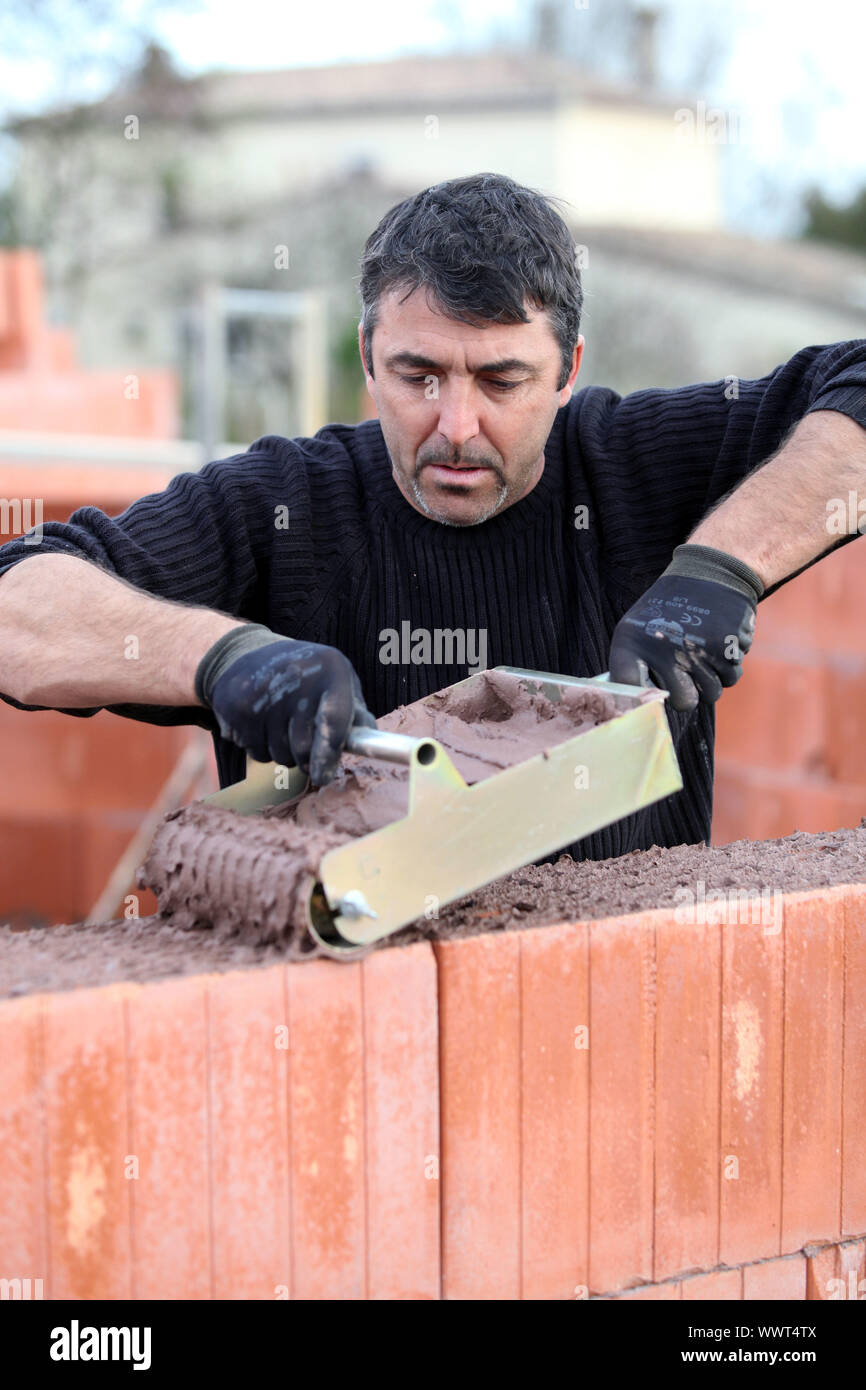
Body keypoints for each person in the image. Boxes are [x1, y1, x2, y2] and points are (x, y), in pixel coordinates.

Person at [1, 171, 864, 862]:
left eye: (502, 381)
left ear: (568, 369)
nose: (456, 427)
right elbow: (17, 604)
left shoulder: (632, 464)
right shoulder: (279, 505)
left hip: (615, 1016)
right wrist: (224, 660)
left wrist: (720, 573)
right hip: (343, 1014)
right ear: (370, 360)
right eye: (418, 375)